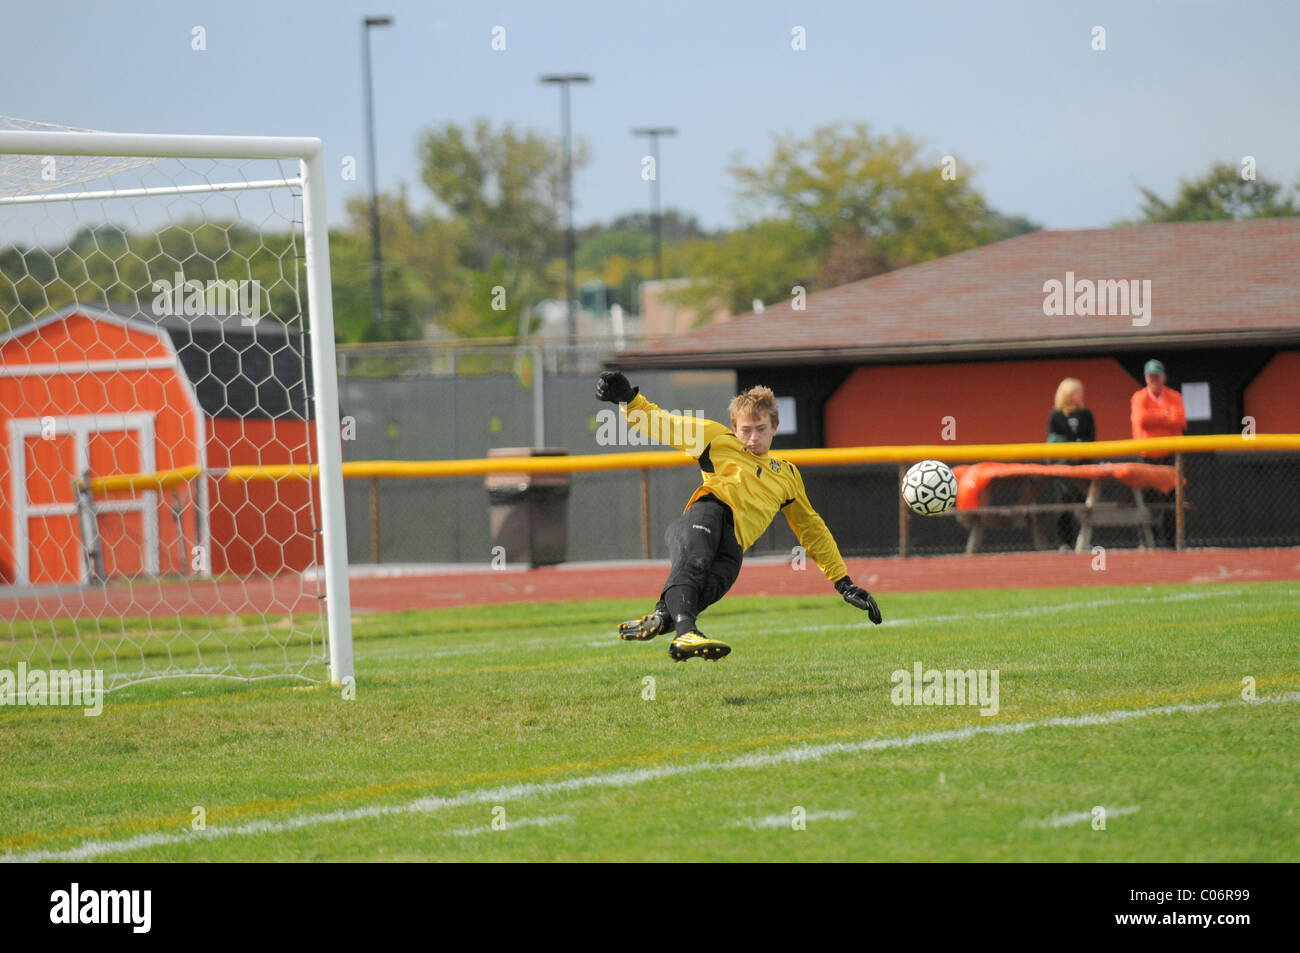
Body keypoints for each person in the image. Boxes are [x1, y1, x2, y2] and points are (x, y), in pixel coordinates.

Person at [595, 371, 882, 662]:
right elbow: (664, 425)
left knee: (705, 590)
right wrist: (629, 400)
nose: (753, 438)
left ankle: (662, 616)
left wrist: (843, 582)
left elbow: (812, 530)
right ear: (734, 428)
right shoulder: (716, 439)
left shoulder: (788, 476)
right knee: (695, 563)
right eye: (745, 430)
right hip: (708, 512)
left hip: (734, 545)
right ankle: (685, 634)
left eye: (760, 429)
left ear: (775, 428)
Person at [1129, 359, 1186, 546]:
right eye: (1151, 376)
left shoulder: (1174, 396)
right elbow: (1142, 420)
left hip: (1170, 456)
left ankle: (1171, 542)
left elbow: (1180, 420)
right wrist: (1165, 415)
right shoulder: (1139, 397)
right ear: (1146, 378)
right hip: (1146, 457)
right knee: (1147, 502)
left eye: (1157, 375)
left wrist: (1159, 417)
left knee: (1171, 501)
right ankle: (1148, 541)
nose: (1154, 379)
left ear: (1164, 376)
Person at [1046, 378, 1095, 549]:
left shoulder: (1086, 415)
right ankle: (1065, 542)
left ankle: (1084, 540)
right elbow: (1052, 441)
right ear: (1067, 395)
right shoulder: (1056, 416)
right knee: (1064, 502)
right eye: (1076, 392)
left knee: (1085, 502)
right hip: (1063, 468)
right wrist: (1069, 454)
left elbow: (1091, 439)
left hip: (1084, 466)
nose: (1080, 396)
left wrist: (1080, 452)